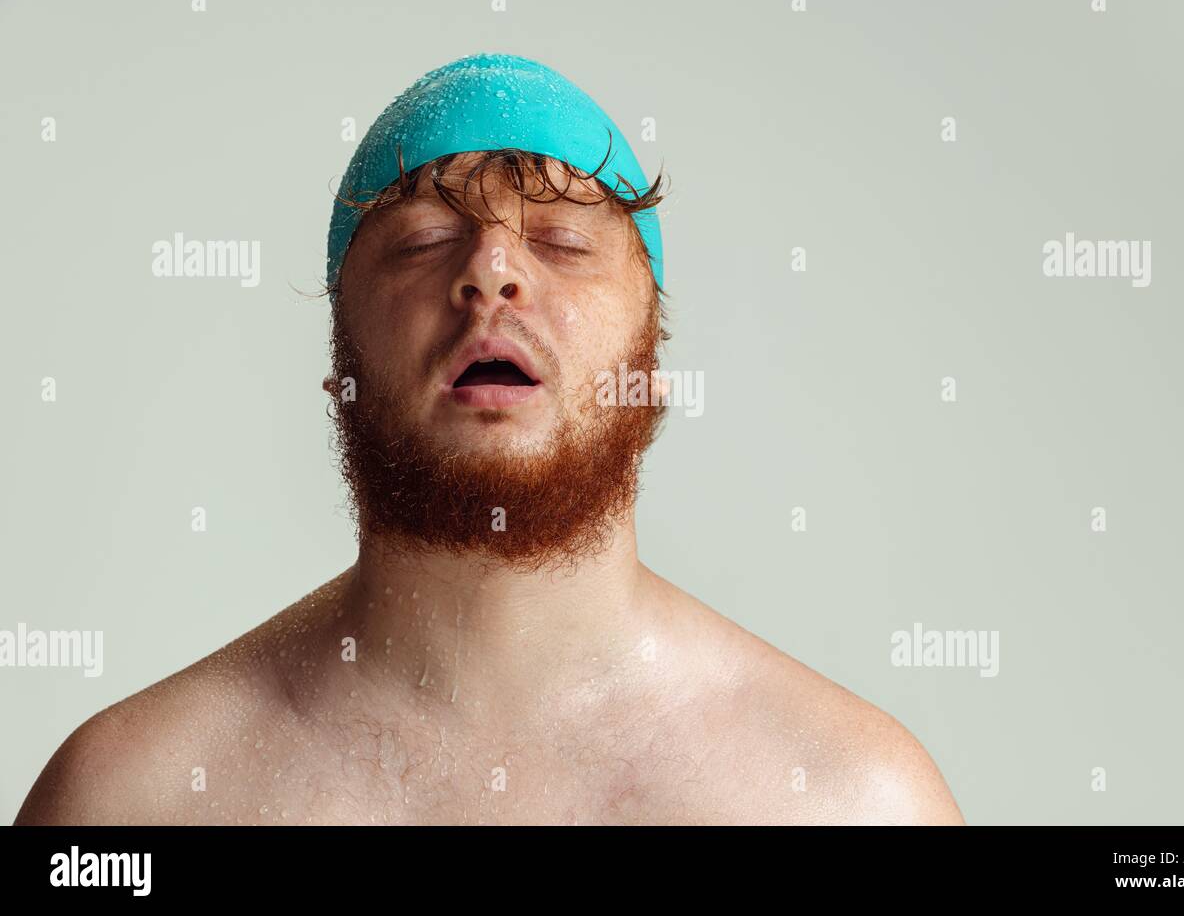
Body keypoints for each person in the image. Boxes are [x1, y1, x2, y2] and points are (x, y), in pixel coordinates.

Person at [15, 53, 963, 825]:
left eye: (562, 241)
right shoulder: (128, 805)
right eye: (425, 241)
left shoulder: (850, 801)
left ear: (652, 366)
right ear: (338, 365)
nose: (491, 273)